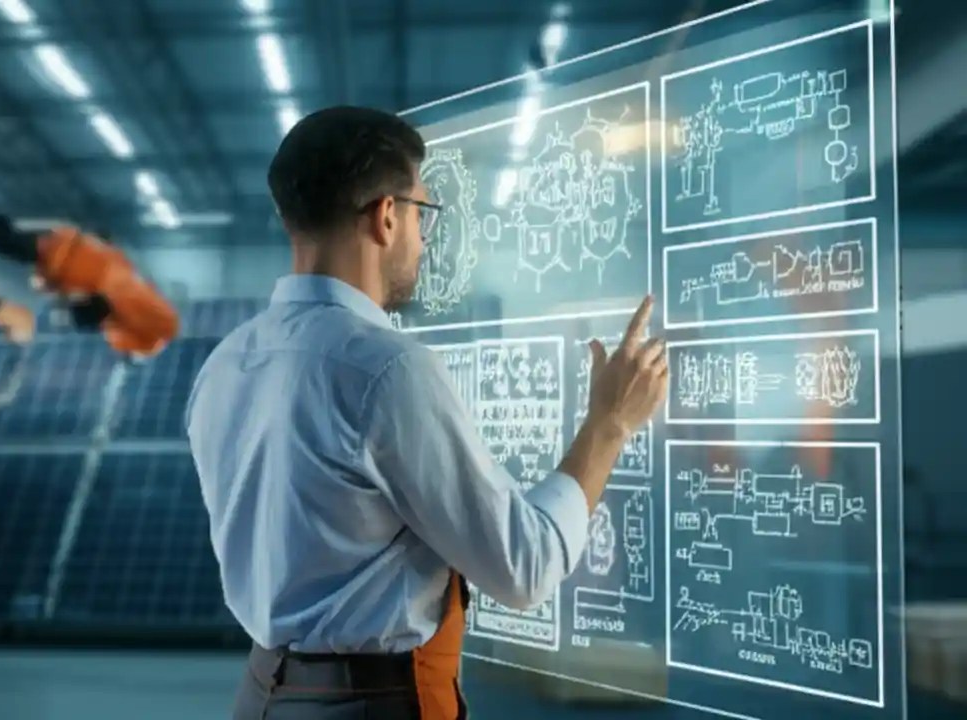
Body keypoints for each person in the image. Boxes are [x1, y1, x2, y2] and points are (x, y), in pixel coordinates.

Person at [185, 106, 668, 720]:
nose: (424, 235)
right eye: (423, 212)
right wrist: (609, 424)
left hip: (261, 698)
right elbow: (525, 565)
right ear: (387, 216)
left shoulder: (223, 365)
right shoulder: (387, 371)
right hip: (375, 705)